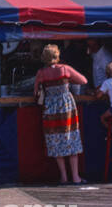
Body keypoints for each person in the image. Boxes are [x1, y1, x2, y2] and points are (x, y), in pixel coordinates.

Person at [33, 43, 89, 184]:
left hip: (50, 109)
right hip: (66, 107)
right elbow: (83, 80)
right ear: (57, 56)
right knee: (71, 139)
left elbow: (35, 93)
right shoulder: (65, 69)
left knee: (56, 141)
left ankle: (64, 177)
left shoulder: (41, 73)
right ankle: (76, 177)